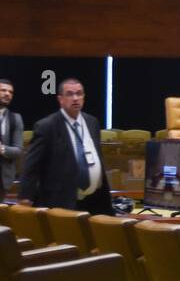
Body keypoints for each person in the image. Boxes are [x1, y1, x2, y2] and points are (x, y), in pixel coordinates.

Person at [18, 77, 115, 214]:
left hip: (94, 200)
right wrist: (25, 198)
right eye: (70, 94)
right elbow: (31, 166)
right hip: (62, 201)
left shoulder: (92, 122)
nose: (75, 98)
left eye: (79, 93)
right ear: (60, 99)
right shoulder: (46, 126)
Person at [0, 78, 23, 192]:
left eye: (10, 92)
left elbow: (18, 150)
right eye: (3, 90)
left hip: (3, 182)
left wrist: (2, 149)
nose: (7, 94)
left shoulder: (15, 119)